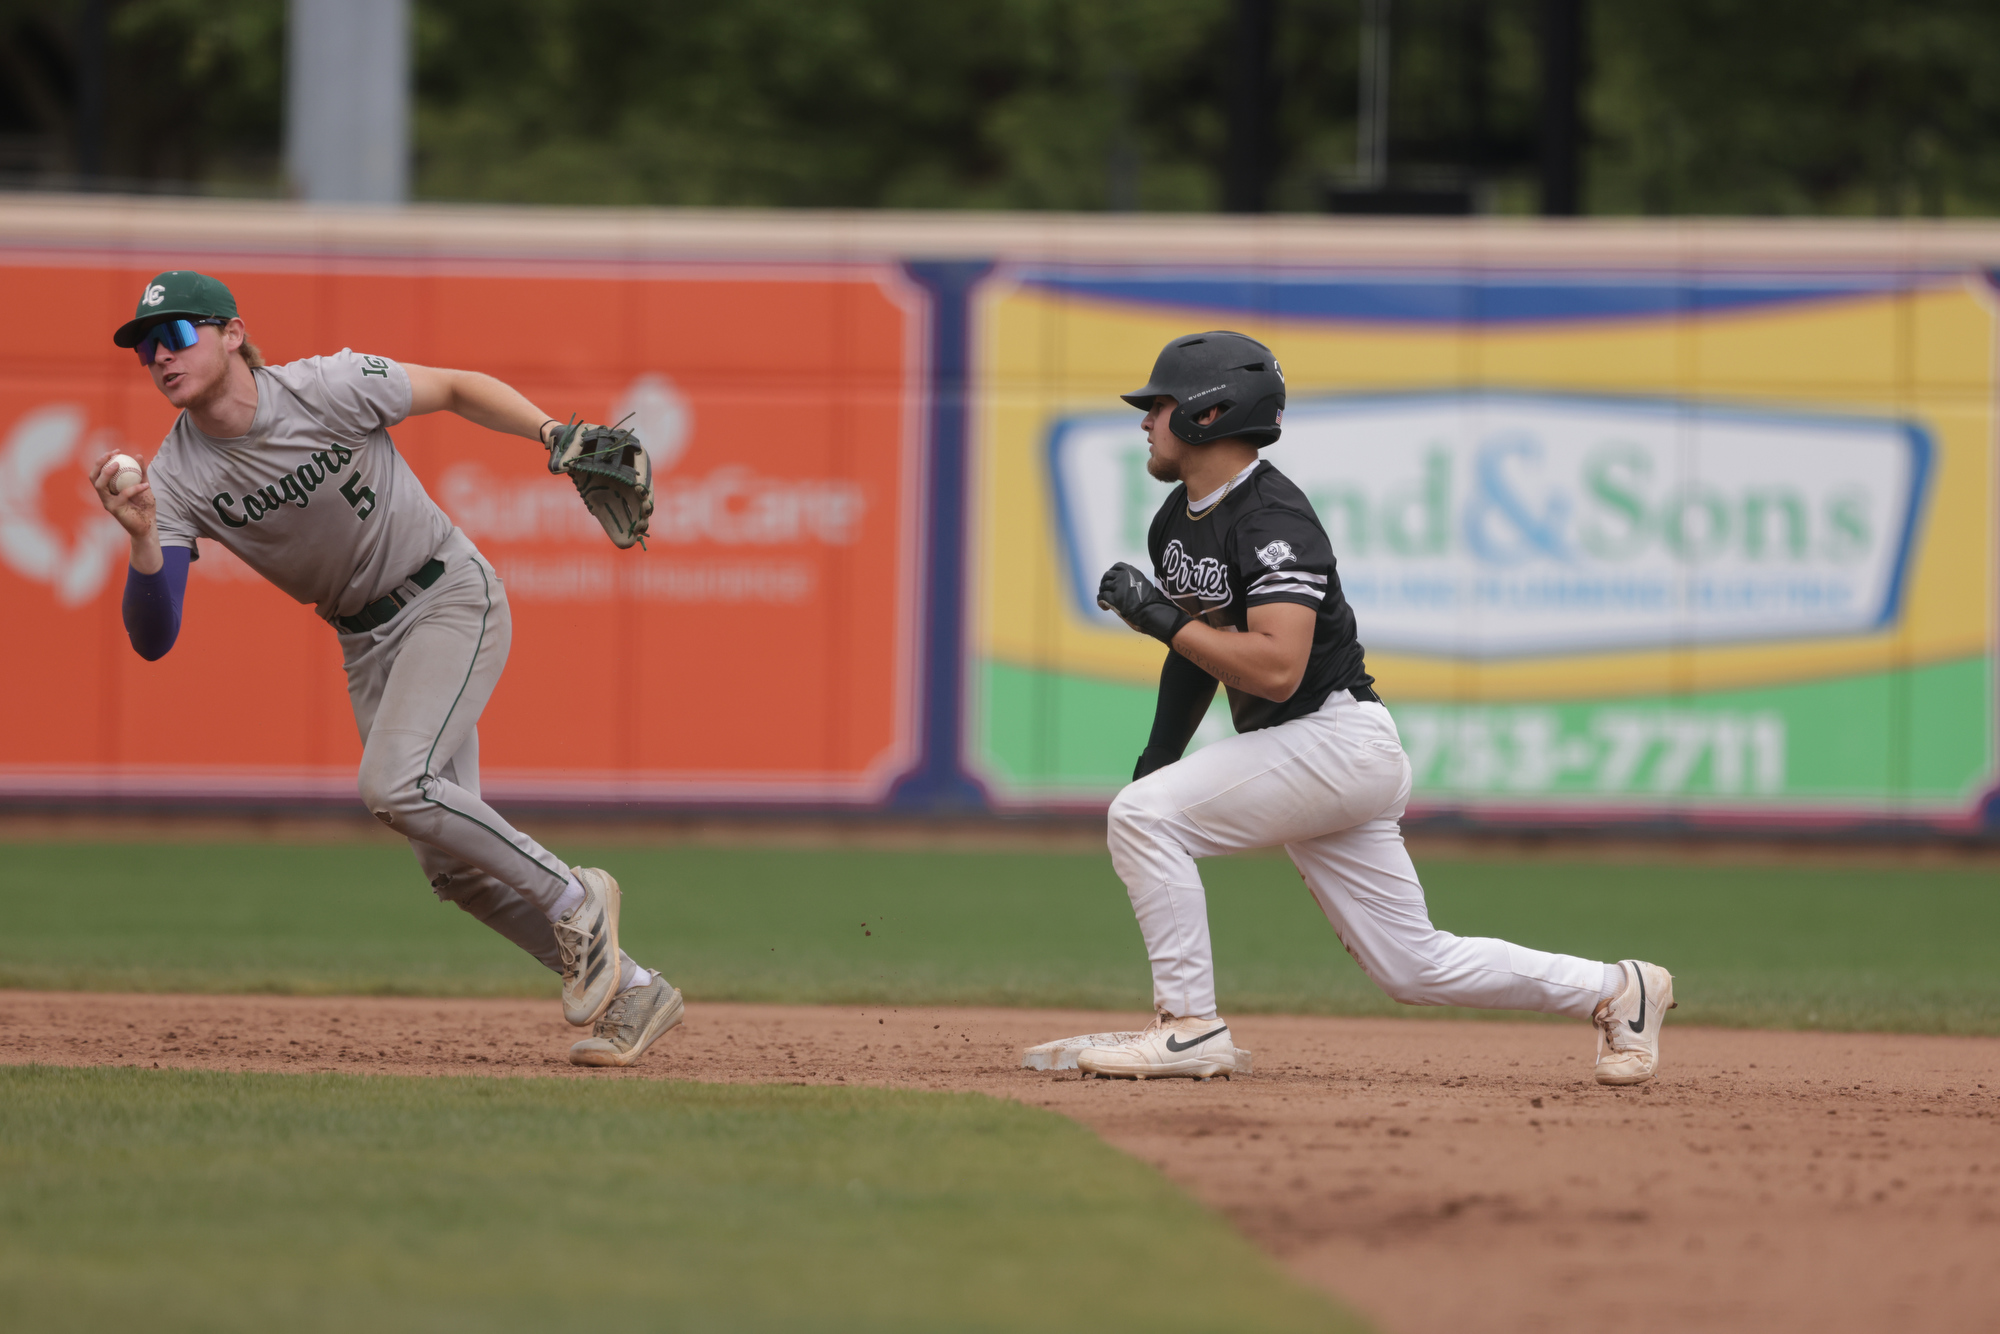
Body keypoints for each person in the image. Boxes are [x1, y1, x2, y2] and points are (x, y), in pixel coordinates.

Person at [92, 270, 681, 1068]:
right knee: (455, 872)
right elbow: (154, 638)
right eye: (147, 348)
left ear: (232, 333)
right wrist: (139, 537)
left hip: (446, 594)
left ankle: (578, 897)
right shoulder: (180, 479)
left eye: (180, 334)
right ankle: (634, 992)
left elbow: (454, 388)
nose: (163, 355)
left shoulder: (324, 386)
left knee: (394, 784)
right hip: (365, 641)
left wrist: (551, 435)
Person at [1055, 330, 1674, 1084]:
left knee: (1146, 819)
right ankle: (1619, 989)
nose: (1144, 422)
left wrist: (1162, 620)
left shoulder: (1273, 516)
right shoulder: (1175, 521)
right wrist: (1156, 760)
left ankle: (1190, 1027)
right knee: (1414, 966)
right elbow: (1198, 652)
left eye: (1156, 404)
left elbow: (1278, 668)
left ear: (1206, 414)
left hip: (1334, 740)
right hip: (1317, 753)